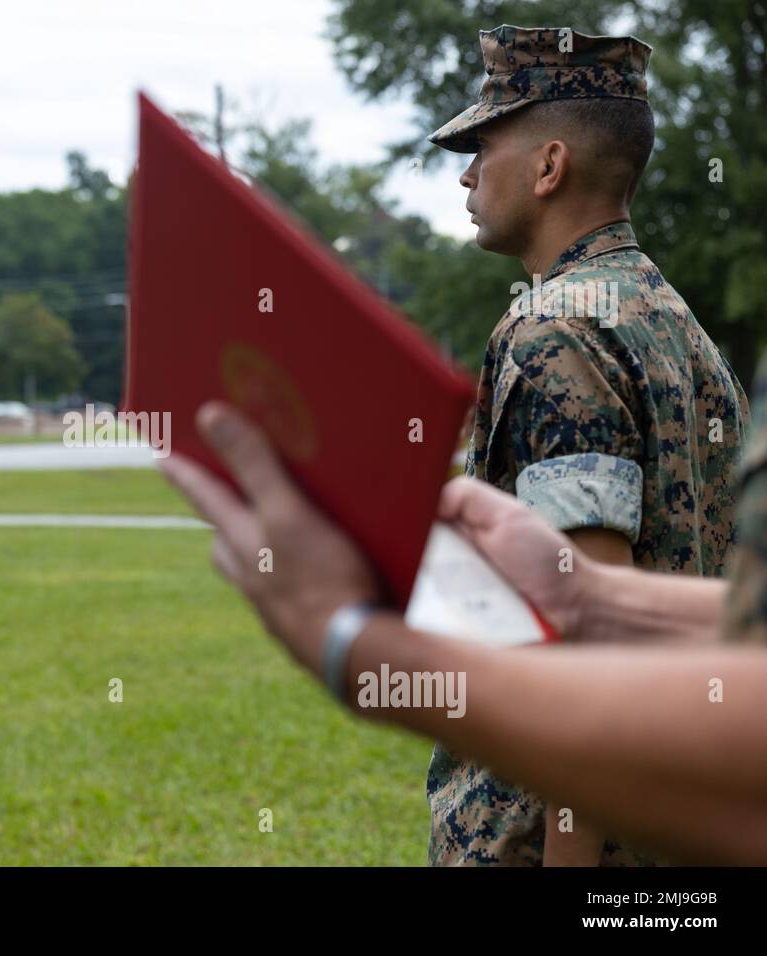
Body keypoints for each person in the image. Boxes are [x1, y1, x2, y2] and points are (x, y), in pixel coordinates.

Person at [157, 359, 767, 863]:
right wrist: (588, 601)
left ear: (544, 197)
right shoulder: (680, 323)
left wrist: (354, 640)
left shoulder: (556, 332)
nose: (469, 201)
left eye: (475, 194)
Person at [424, 24, 748, 865]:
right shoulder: (675, 320)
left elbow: (588, 634)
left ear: (547, 166)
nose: (464, 173)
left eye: (481, 145)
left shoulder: (556, 328)